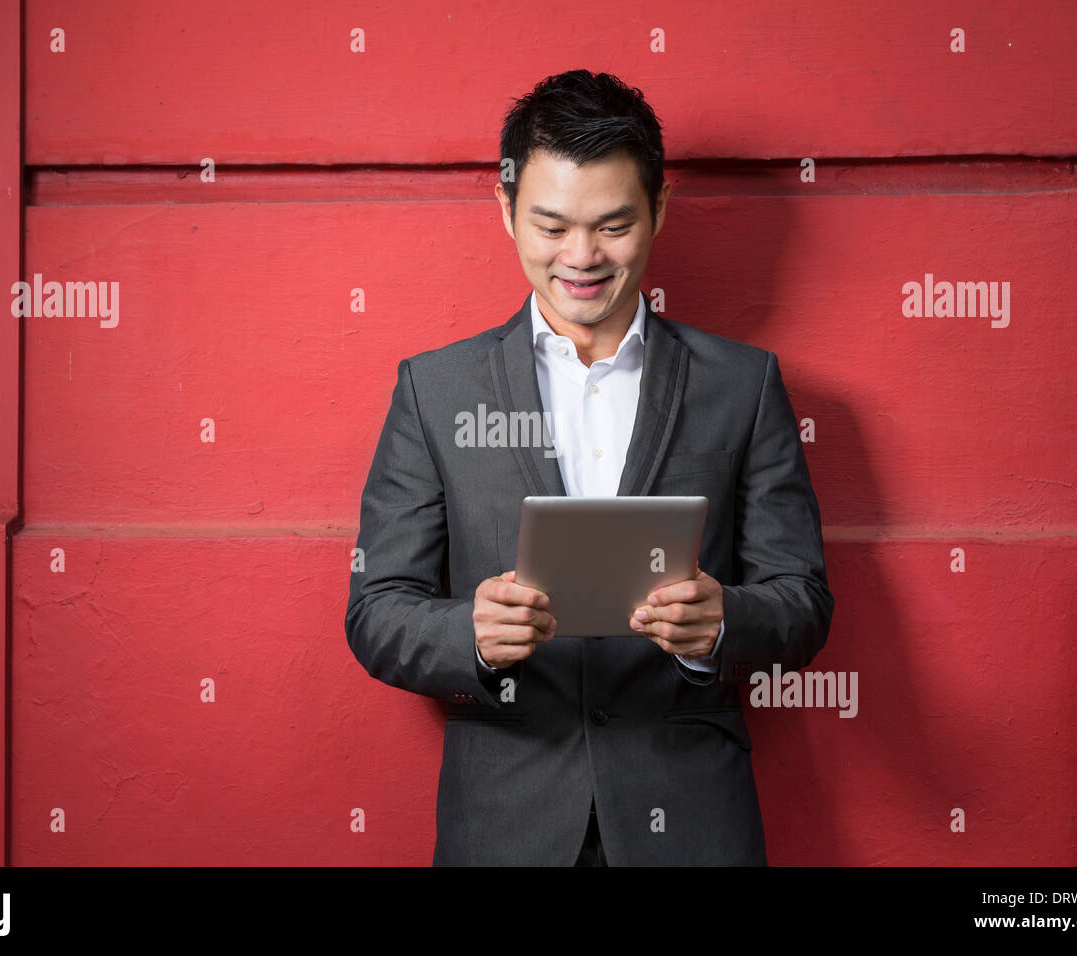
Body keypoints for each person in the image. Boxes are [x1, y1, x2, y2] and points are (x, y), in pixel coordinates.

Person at [345, 69, 834, 865]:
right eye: (550, 226)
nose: (581, 258)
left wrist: (721, 624)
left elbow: (803, 601)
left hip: (693, 816)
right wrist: (466, 630)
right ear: (505, 211)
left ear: (659, 211)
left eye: (612, 226)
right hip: (505, 820)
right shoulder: (434, 391)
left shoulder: (743, 386)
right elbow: (376, 610)